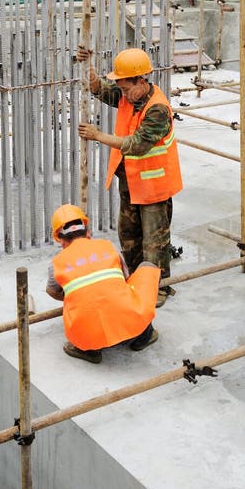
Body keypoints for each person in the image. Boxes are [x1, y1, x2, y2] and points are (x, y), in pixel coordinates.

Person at [76, 46, 182, 307]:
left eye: (125, 88)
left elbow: (137, 144)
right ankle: (138, 279)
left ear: (141, 81)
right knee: (129, 235)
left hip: (154, 185)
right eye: (121, 89)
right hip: (132, 182)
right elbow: (99, 88)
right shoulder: (129, 95)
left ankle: (159, 287)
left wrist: (97, 135)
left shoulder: (157, 109)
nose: (122, 94)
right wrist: (87, 64)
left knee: (154, 240)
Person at [46, 204, 160, 364]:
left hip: (88, 338)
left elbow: (51, 291)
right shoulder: (107, 246)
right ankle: (144, 336)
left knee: (74, 301)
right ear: (88, 232)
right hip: (132, 329)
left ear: (60, 239)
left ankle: (89, 351)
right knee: (146, 268)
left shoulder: (56, 264)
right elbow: (126, 279)